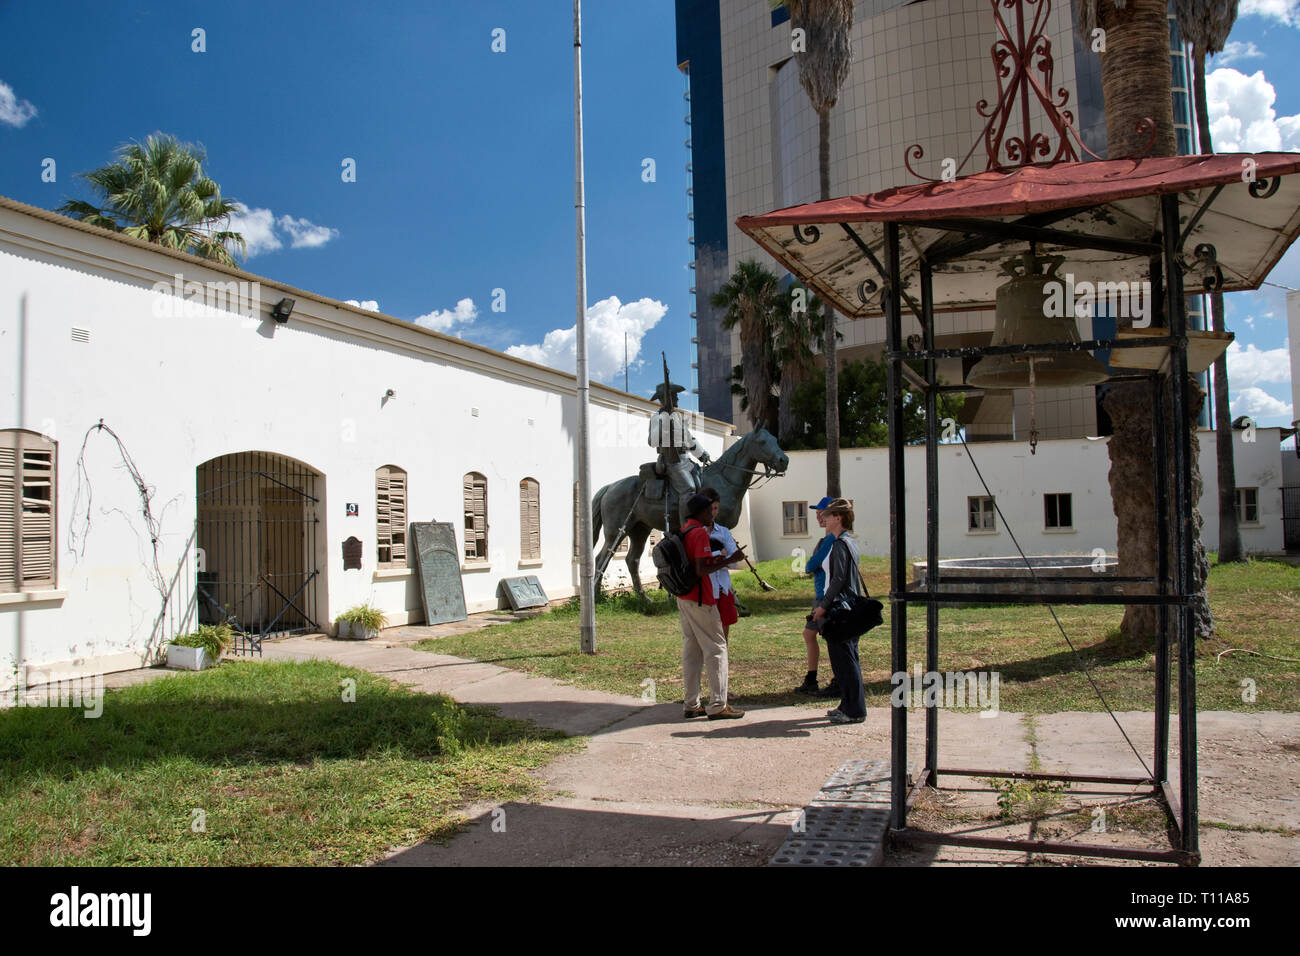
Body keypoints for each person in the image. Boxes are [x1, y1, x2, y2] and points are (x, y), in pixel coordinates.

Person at [677, 492, 745, 720]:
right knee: (717, 648)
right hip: (701, 598)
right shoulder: (699, 534)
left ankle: (691, 703)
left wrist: (716, 560)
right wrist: (728, 559)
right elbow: (701, 570)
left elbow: (699, 562)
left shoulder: (685, 529)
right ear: (700, 512)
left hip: (684, 597)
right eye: (709, 510)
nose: (712, 515)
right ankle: (718, 705)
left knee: (692, 650)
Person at [807, 499, 866, 724]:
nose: (824, 518)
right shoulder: (847, 542)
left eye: (828, 515)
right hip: (847, 606)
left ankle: (854, 710)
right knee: (846, 659)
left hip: (841, 608)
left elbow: (839, 579)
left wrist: (822, 606)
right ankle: (848, 704)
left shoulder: (841, 544)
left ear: (838, 518)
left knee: (845, 660)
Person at [649, 372, 712, 529]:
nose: (677, 398)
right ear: (666, 398)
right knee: (688, 489)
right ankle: (687, 527)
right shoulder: (657, 418)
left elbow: (689, 440)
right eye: (674, 396)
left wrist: (702, 454)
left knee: (702, 484)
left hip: (685, 460)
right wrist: (665, 420)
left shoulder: (677, 416)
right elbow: (652, 441)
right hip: (672, 461)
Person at [795, 497, 839, 698]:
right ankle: (812, 679)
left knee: (832, 639)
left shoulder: (832, 539)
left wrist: (814, 562)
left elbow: (810, 565)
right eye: (817, 512)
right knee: (809, 634)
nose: (818, 516)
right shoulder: (828, 539)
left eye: (822, 512)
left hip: (826, 597)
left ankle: (836, 680)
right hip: (821, 595)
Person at [700, 487, 739, 639]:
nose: (712, 512)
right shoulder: (695, 532)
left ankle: (724, 660)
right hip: (705, 589)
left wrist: (720, 558)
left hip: (723, 587)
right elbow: (700, 562)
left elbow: (735, 562)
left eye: (715, 508)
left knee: (724, 631)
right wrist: (719, 554)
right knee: (707, 632)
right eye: (709, 508)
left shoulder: (724, 532)